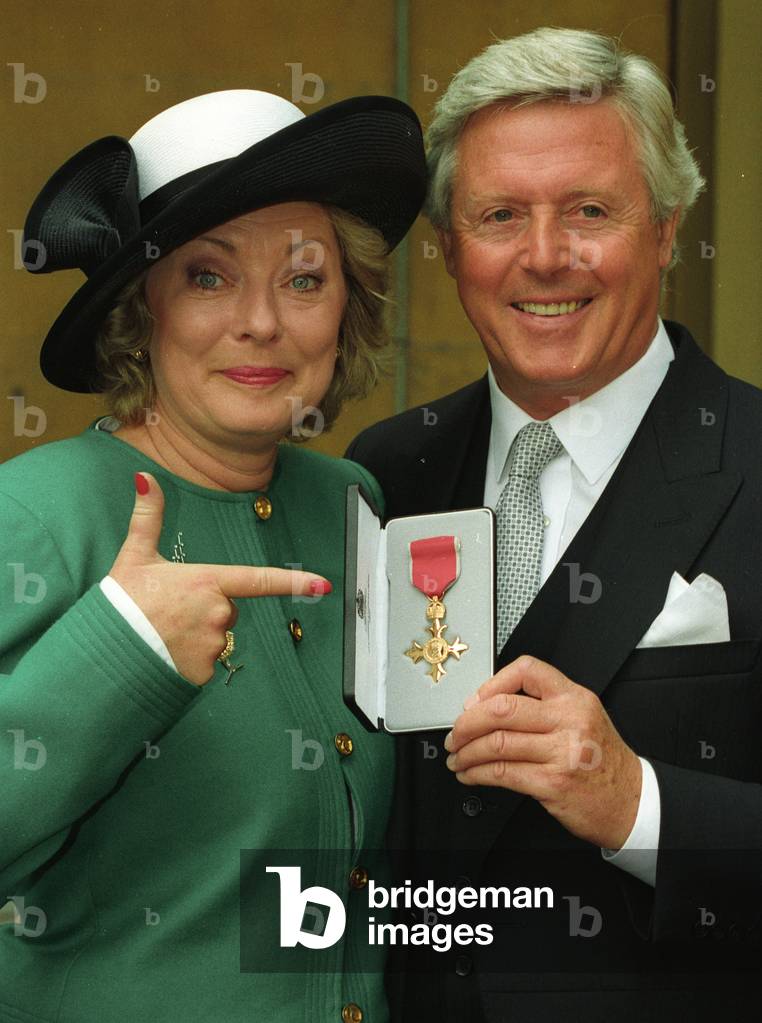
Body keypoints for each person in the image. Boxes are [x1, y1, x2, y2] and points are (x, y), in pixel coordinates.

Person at [347, 27, 762, 1022]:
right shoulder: (385, 470)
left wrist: (640, 807)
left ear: (667, 228)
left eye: (589, 210)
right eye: (499, 216)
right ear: (449, 248)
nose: (544, 257)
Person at [0, 89, 425, 1021]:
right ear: (138, 312)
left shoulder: (350, 504)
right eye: (208, 276)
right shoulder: (33, 517)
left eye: (304, 279)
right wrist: (120, 652)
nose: (263, 323)